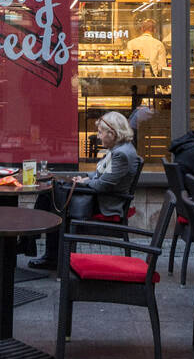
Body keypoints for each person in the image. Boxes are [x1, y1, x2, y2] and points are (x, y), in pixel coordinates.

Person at [30, 111, 141, 270]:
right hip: (98, 197)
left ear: (113, 133)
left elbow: (103, 185)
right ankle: (44, 251)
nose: (98, 136)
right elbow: (100, 175)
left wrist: (84, 183)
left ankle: (46, 253)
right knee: (51, 193)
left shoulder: (121, 154)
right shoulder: (120, 149)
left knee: (54, 198)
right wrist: (85, 178)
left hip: (104, 204)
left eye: (101, 132)